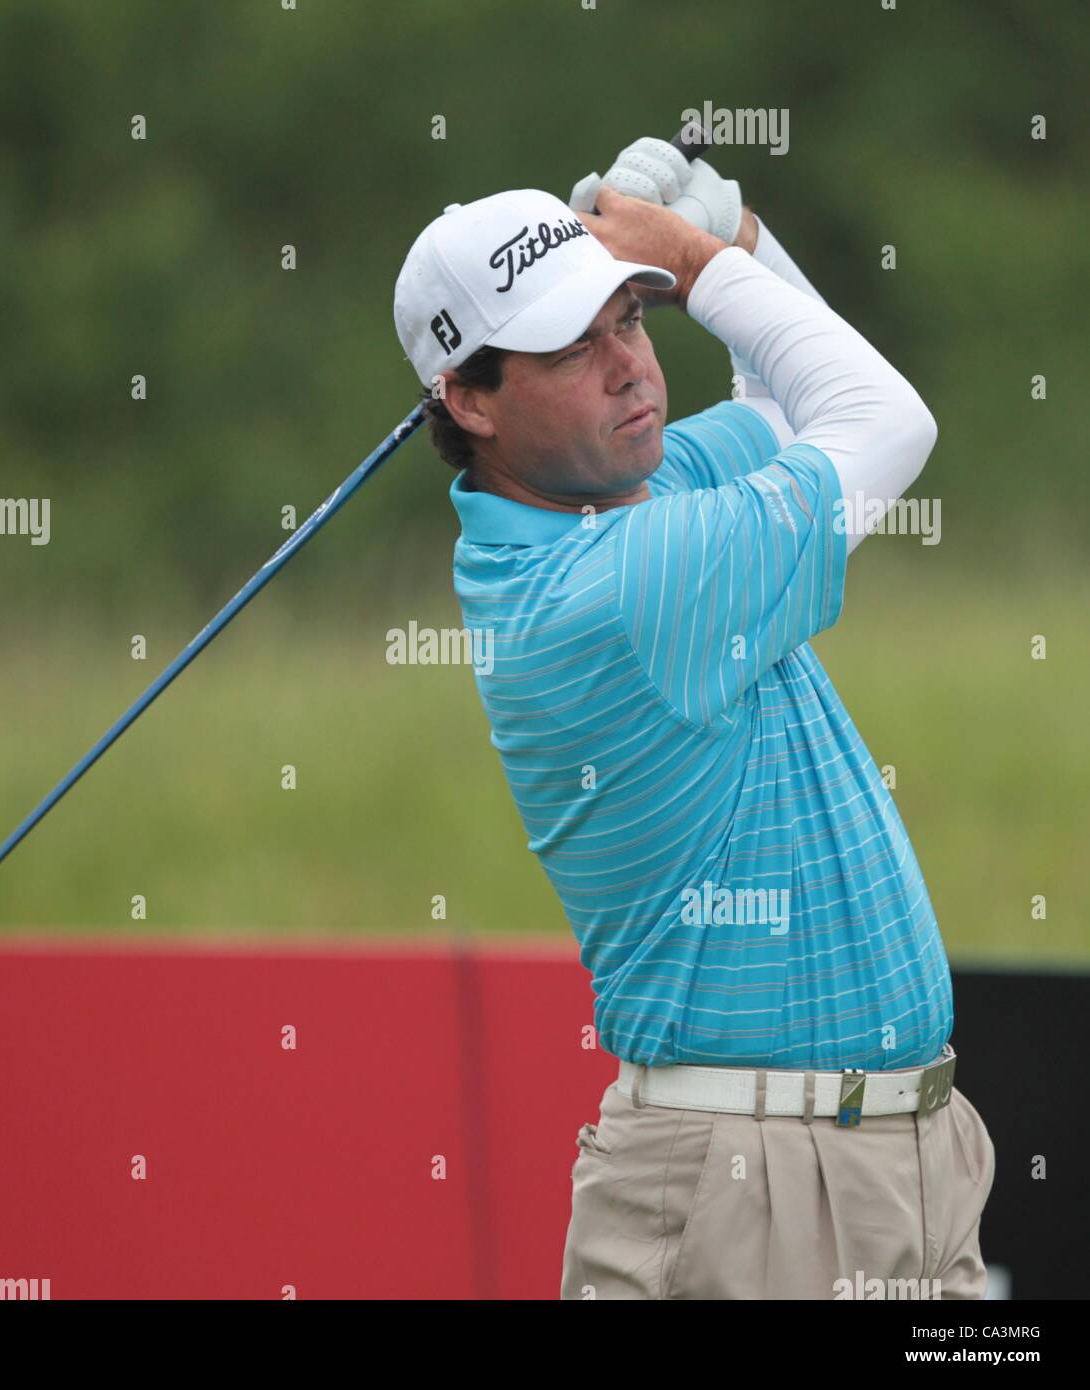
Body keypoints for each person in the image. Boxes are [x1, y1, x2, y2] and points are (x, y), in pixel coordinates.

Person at [392, 135, 996, 1300]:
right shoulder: (612, 589)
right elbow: (885, 423)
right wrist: (691, 258)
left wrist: (736, 241)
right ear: (468, 399)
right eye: (575, 347)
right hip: (754, 1196)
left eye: (632, 319)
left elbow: (787, 399)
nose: (630, 368)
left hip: (885, 1167)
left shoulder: (631, 492)